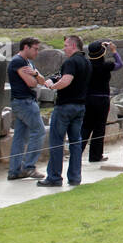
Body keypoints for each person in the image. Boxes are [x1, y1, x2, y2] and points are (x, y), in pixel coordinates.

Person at [37, 35, 91, 186]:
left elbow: (66, 80)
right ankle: (75, 177)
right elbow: (63, 77)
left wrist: (52, 86)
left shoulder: (71, 61)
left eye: (66, 45)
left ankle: (54, 177)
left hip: (65, 106)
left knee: (56, 142)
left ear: (74, 46)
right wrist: (54, 79)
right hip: (80, 107)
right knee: (75, 143)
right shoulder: (86, 62)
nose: (64, 48)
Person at [6, 37, 47, 181]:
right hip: (24, 103)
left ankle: (14, 171)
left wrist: (35, 74)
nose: (37, 52)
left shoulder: (28, 63)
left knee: (20, 137)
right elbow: (32, 83)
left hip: (24, 102)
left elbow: (41, 80)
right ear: (25, 47)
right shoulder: (18, 62)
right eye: (35, 49)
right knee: (39, 131)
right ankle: (29, 167)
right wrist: (35, 77)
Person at [82, 40, 122, 162]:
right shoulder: (106, 65)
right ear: (102, 52)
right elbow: (120, 64)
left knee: (85, 127)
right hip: (102, 99)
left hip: (88, 99)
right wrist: (114, 51)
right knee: (99, 128)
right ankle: (95, 155)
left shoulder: (86, 65)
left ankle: (77, 152)